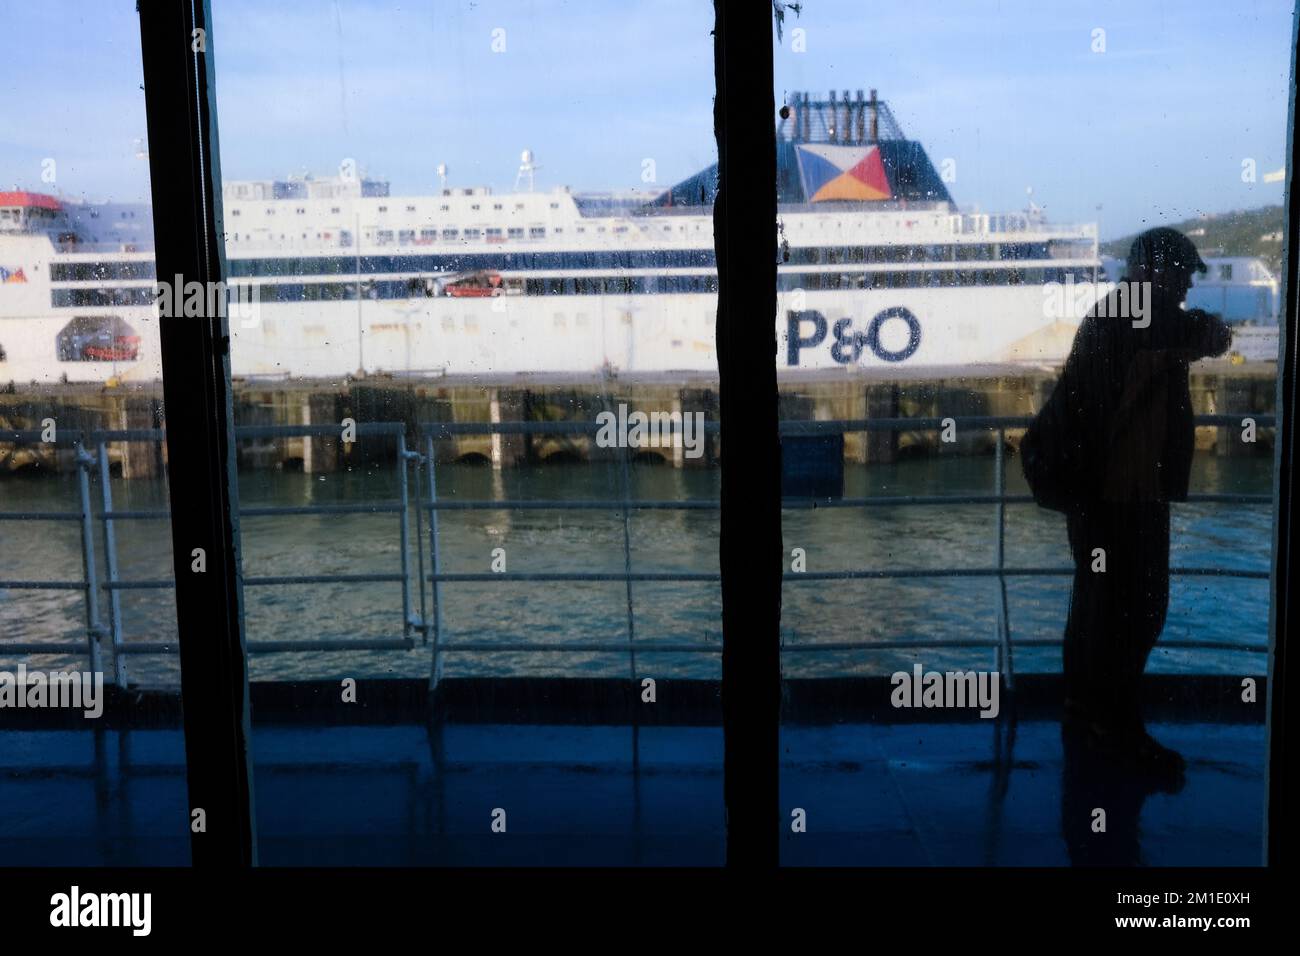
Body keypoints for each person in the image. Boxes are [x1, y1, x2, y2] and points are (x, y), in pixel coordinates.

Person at [1052, 227, 1231, 783]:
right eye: (1179, 274)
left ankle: (1089, 718)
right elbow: (1209, 334)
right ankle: (1117, 730)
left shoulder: (1116, 314)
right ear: (1152, 271)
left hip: (1105, 492)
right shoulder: (1134, 313)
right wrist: (1205, 327)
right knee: (1136, 611)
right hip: (1122, 495)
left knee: (1100, 608)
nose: (1184, 286)